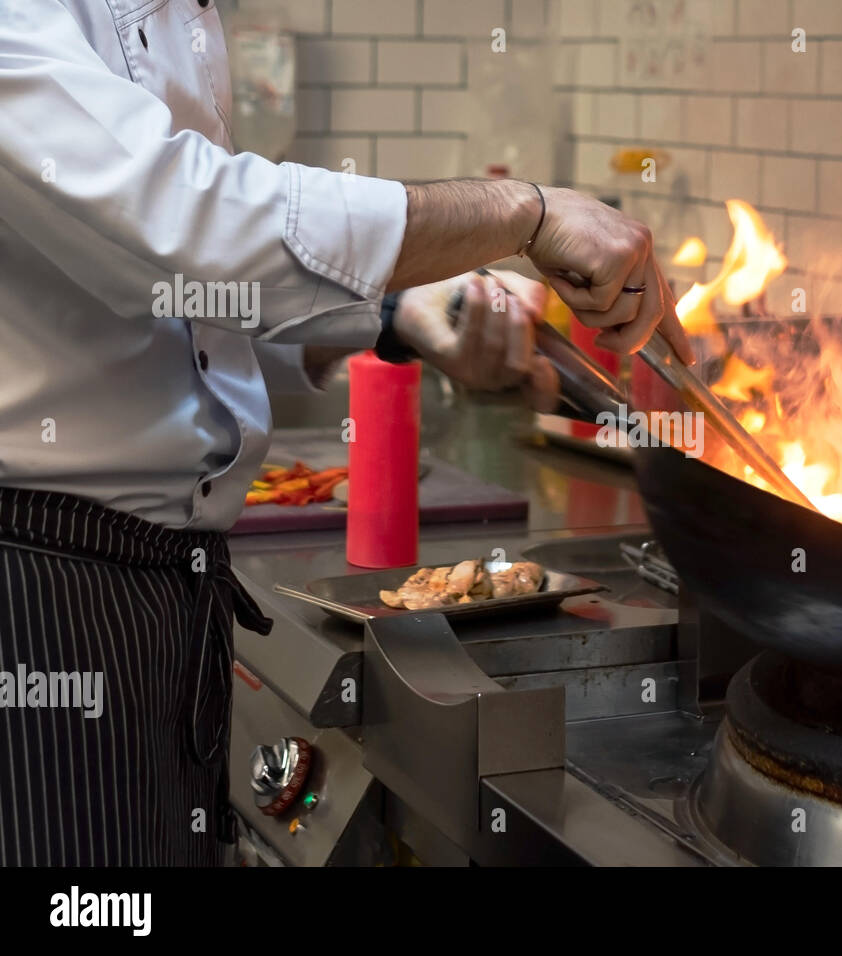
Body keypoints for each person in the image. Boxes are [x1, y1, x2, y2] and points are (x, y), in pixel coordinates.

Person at [0, 0, 693, 866]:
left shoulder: (182, 19)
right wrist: (526, 213)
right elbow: (196, 228)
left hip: (156, 592)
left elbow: (180, 305)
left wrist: (400, 318)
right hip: (38, 594)